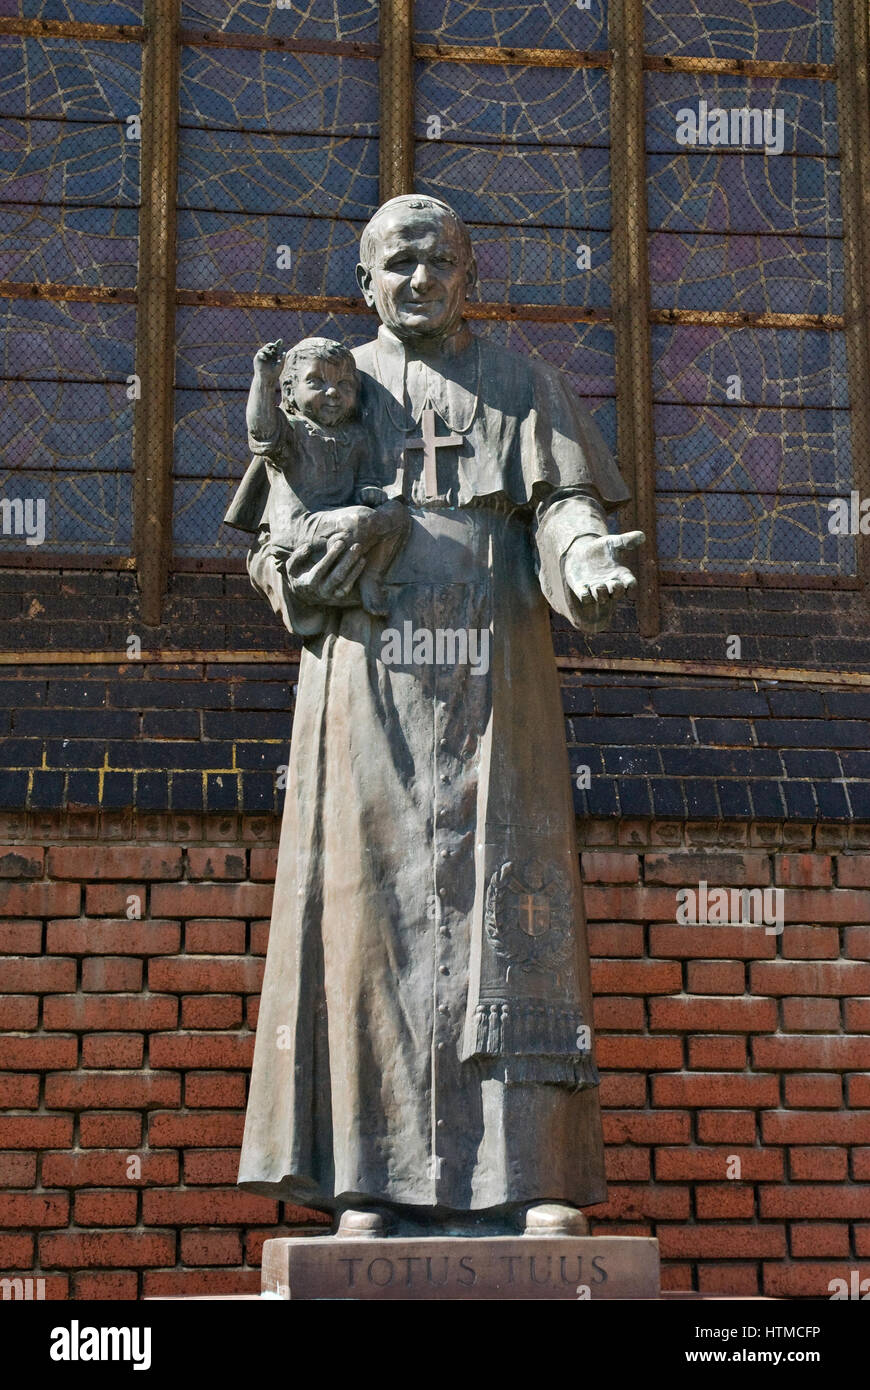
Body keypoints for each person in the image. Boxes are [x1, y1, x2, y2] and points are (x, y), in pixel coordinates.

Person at [230, 195, 644, 1238]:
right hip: (366, 693)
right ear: (365, 282)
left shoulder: (520, 383)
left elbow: (564, 505)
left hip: (500, 685)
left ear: (470, 275)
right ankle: (368, 1183)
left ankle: (530, 1179)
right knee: (370, 922)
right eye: (397, 264)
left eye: (440, 262)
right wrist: (320, 543)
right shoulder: (326, 379)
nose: (419, 281)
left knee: (517, 912)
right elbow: (275, 535)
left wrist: (586, 557)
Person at [225, 334, 408, 618]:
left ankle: (371, 576)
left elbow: (363, 480)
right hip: (301, 525)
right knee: (359, 519)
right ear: (288, 390)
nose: (333, 392)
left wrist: (367, 490)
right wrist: (263, 380)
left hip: (339, 520)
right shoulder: (292, 430)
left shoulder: (356, 436)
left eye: (343, 384)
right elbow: (261, 430)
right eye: (316, 382)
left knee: (396, 513)